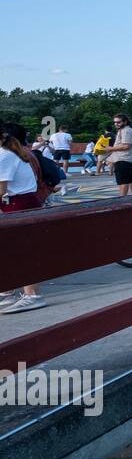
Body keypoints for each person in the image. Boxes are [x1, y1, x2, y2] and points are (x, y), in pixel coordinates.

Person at [0, 123, 48, 315]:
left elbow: (1, 190)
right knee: (11, 251)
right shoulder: (10, 152)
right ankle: (8, 291)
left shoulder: (4, 156)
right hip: (21, 202)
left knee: (21, 252)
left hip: (18, 205)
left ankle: (32, 295)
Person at [106, 113, 132, 196]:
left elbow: (126, 146)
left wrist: (110, 148)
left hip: (123, 159)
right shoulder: (130, 130)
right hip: (131, 159)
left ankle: (122, 200)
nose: (116, 124)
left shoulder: (125, 131)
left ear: (125, 122)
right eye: (114, 122)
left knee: (123, 181)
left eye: (118, 122)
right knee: (131, 179)